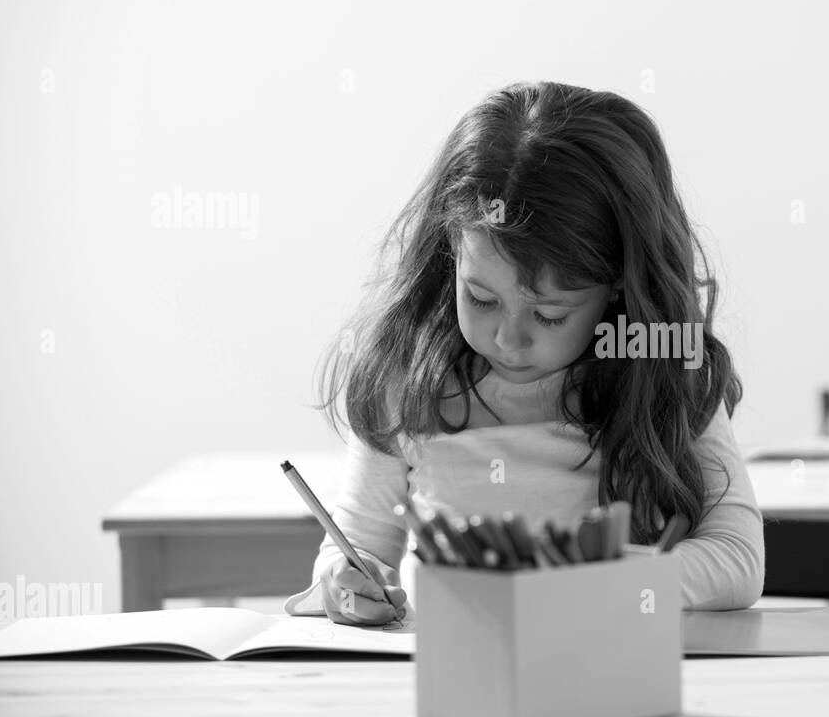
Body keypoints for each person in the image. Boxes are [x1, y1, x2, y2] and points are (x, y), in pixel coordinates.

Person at [284, 81, 764, 624]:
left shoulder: (666, 371)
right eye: (481, 298)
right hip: (456, 676)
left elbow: (738, 559)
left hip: (611, 676)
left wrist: (604, 582)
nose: (509, 339)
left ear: (616, 288)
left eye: (551, 314)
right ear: (450, 256)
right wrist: (345, 583)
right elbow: (357, 545)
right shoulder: (408, 377)